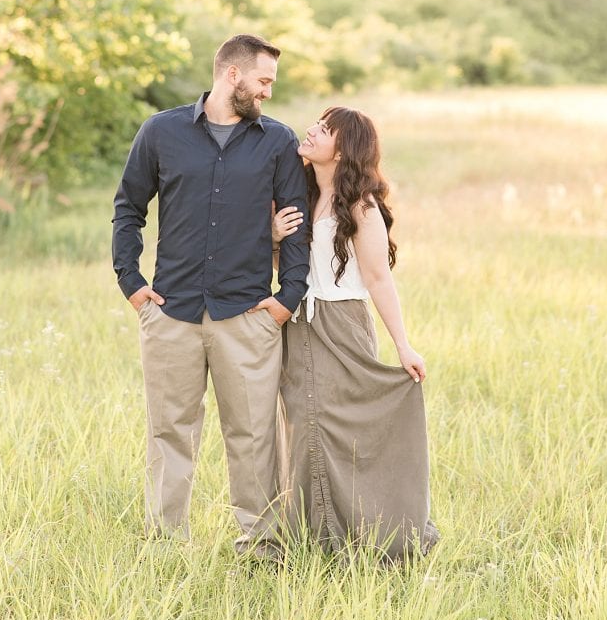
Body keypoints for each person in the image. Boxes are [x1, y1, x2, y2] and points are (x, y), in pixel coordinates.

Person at [112, 34, 309, 558]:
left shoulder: (278, 142)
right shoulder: (161, 131)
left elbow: (297, 225)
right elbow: (129, 208)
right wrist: (131, 283)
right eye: (263, 81)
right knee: (169, 432)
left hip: (247, 315)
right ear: (233, 75)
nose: (267, 92)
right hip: (170, 313)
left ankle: (262, 545)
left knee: (253, 434)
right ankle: (165, 546)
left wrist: (287, 298)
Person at [272, 106, 439, 561]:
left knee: (344, 431)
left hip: (341, 322)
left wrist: (403, 345)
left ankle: (373, 534)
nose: (309, 130)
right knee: (302, 428)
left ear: (343, 149)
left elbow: (379, 279)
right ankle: (310, 540)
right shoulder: (301, 195)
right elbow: (290, 269)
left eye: (323, 130)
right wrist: (272, 237)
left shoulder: (362, 206)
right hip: (297, 325)